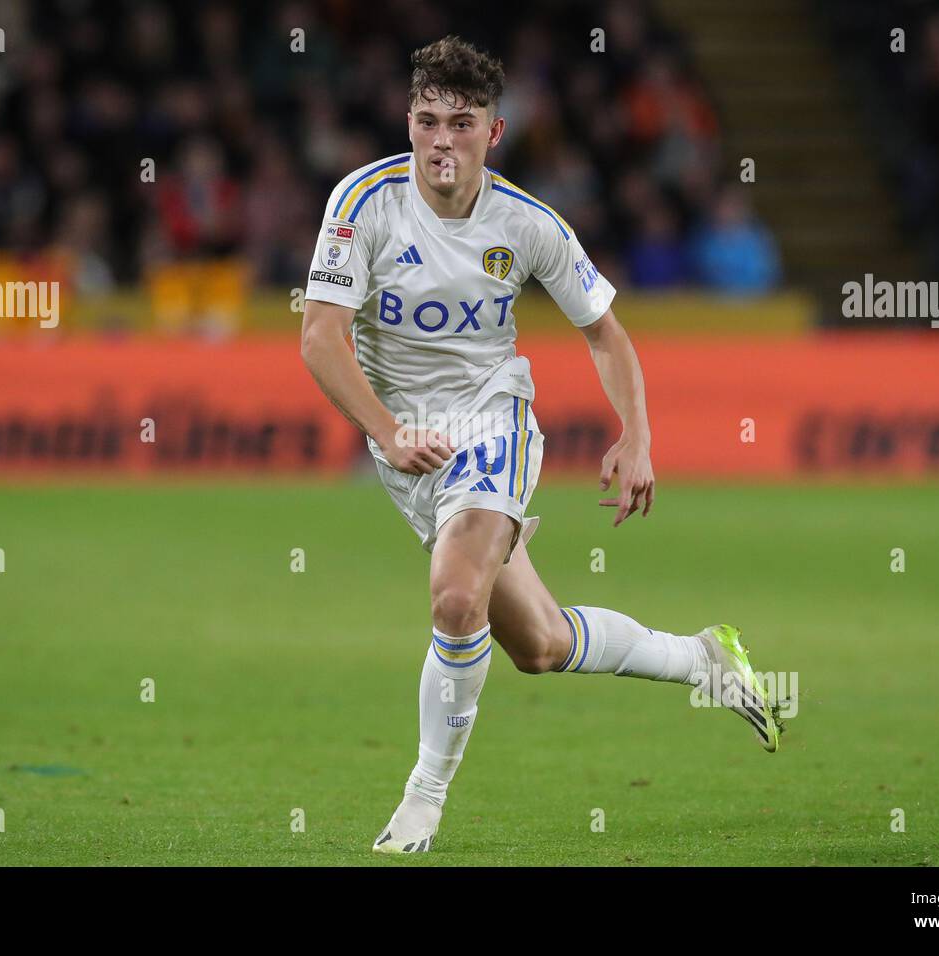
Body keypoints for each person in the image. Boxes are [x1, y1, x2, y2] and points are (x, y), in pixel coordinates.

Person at [300, 36, 783, 855]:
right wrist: (386, 431)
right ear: (407, 121)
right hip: (407, 449)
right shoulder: (363, 202)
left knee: (455, 598)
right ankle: (699, 657)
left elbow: (606, 334)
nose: (439, 140)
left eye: (461, 123)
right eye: (425, 120)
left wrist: (638, 435)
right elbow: (320, 337)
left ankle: (423, 797)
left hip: (494, 422)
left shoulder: (527, 223)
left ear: (494, 132)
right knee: (541, 644)